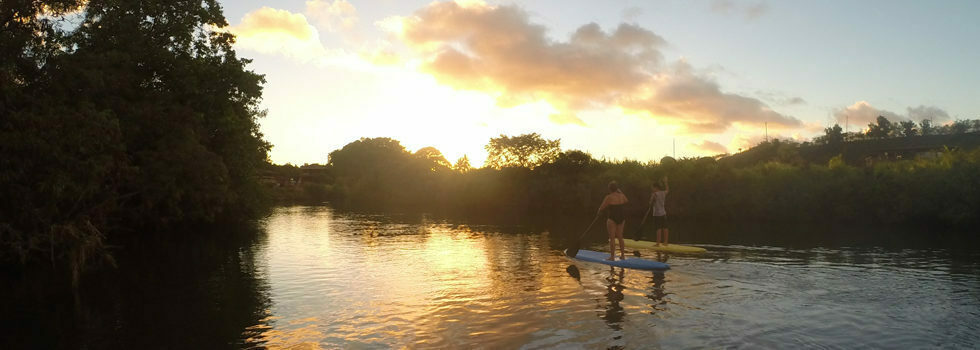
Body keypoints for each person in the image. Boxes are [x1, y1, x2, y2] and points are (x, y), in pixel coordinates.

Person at [598, 181, 628, 261]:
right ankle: (623, 255)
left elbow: (602, 207)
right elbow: (626, 201)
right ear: (617, 188)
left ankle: (612, 257)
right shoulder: (622, 196)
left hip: (612, 217)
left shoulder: (609, 197)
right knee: (620, 237)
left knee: (612, 238)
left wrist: (599, 211)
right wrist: (621, 192)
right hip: (621, 217)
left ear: (609, 189)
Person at [649, 176, 669, 246]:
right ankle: (665, 242)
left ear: (656, 188)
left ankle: (658, 243)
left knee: (658, 228)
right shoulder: (663, 193)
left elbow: (650, 203)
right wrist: (666, 182)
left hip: (657, 214)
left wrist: (652, 199)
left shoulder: (654, 194)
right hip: (663, 213)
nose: (652, 189)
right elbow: (667, 190)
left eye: (653, 187)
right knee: (665, 227)